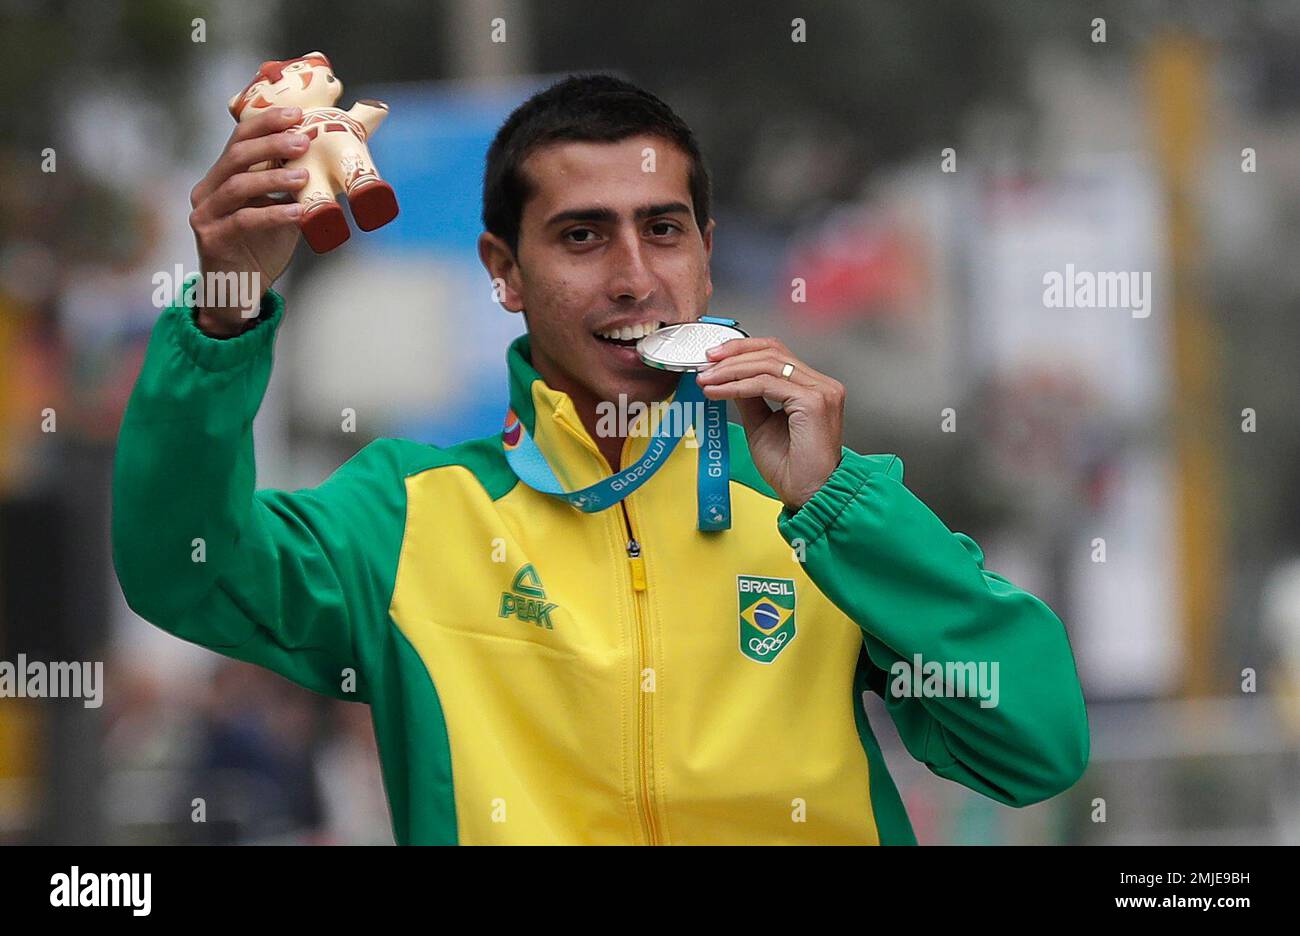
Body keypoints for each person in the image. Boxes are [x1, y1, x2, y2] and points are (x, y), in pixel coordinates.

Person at [112, 73, 1088, 845]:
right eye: (582, 237)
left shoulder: (820, 509)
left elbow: (1037, 743)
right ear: (504, 272)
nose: (632, 279)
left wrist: (838, 508)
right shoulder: (411, 512)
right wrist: (226, 304)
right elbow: (180, 567)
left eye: (661, 230)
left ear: (704, 253)